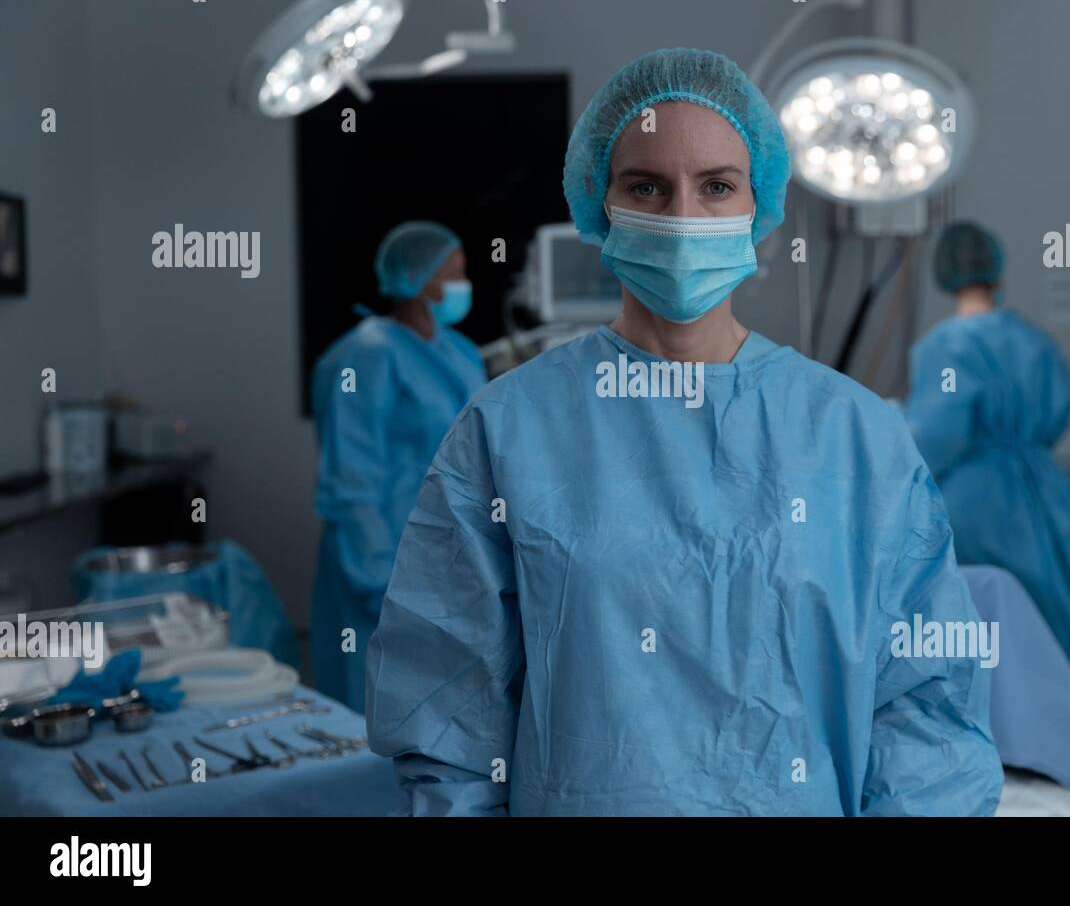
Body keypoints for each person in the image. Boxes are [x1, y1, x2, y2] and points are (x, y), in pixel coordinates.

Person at [367, 49, 1002, 816]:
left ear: (758, 204)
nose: (682, 217)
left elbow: (926, 707)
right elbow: (450, 720)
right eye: (647, 187)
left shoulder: (855, 437)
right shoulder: (507, 432)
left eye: (716, 187)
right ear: (600, 205)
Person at [905, 221, 1070, 739]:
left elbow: (937, 434)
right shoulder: (1033, 340)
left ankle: (1002, 735)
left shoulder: (944, 347)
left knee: (982, 621)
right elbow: (1059, 410)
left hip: (975, 498)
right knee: (1060, 609)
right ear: (996, 268)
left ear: (943, 273)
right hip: (1042, 489)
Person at [311, 222, 486, 711]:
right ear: (420, 279)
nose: (460, 285)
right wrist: (377, 582)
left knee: (443, 710)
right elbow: (352, 478)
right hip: (379, 558)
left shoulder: (457, 351)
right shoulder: (367, 357)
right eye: (453, 274)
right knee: (372, 707)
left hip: (446, 556)